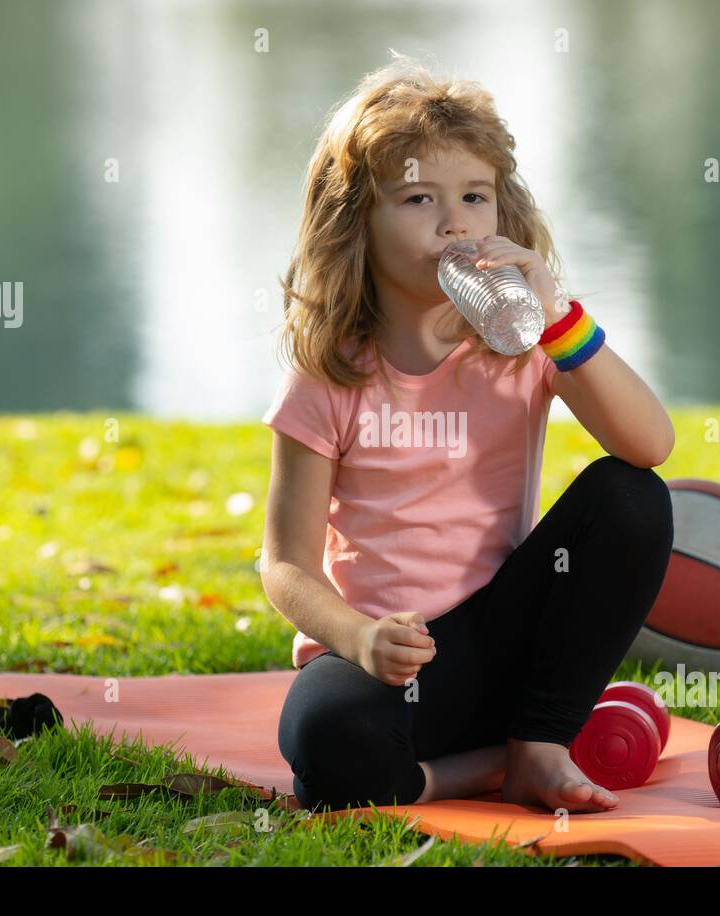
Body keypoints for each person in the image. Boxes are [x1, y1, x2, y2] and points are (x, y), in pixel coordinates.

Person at [260, 55, 675, 816]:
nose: (454, 222)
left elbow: (650, 444)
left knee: (632, 498)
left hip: (505, 650)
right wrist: (356, 638)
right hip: (388, 669)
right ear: (356, 219)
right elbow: (284, 564)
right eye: (419, 197)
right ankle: (483, 771)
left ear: (500, 212)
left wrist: (561, 321)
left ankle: (541, 745)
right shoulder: (328, 377)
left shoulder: (521, 350)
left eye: (474, 197)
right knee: (323, 738)